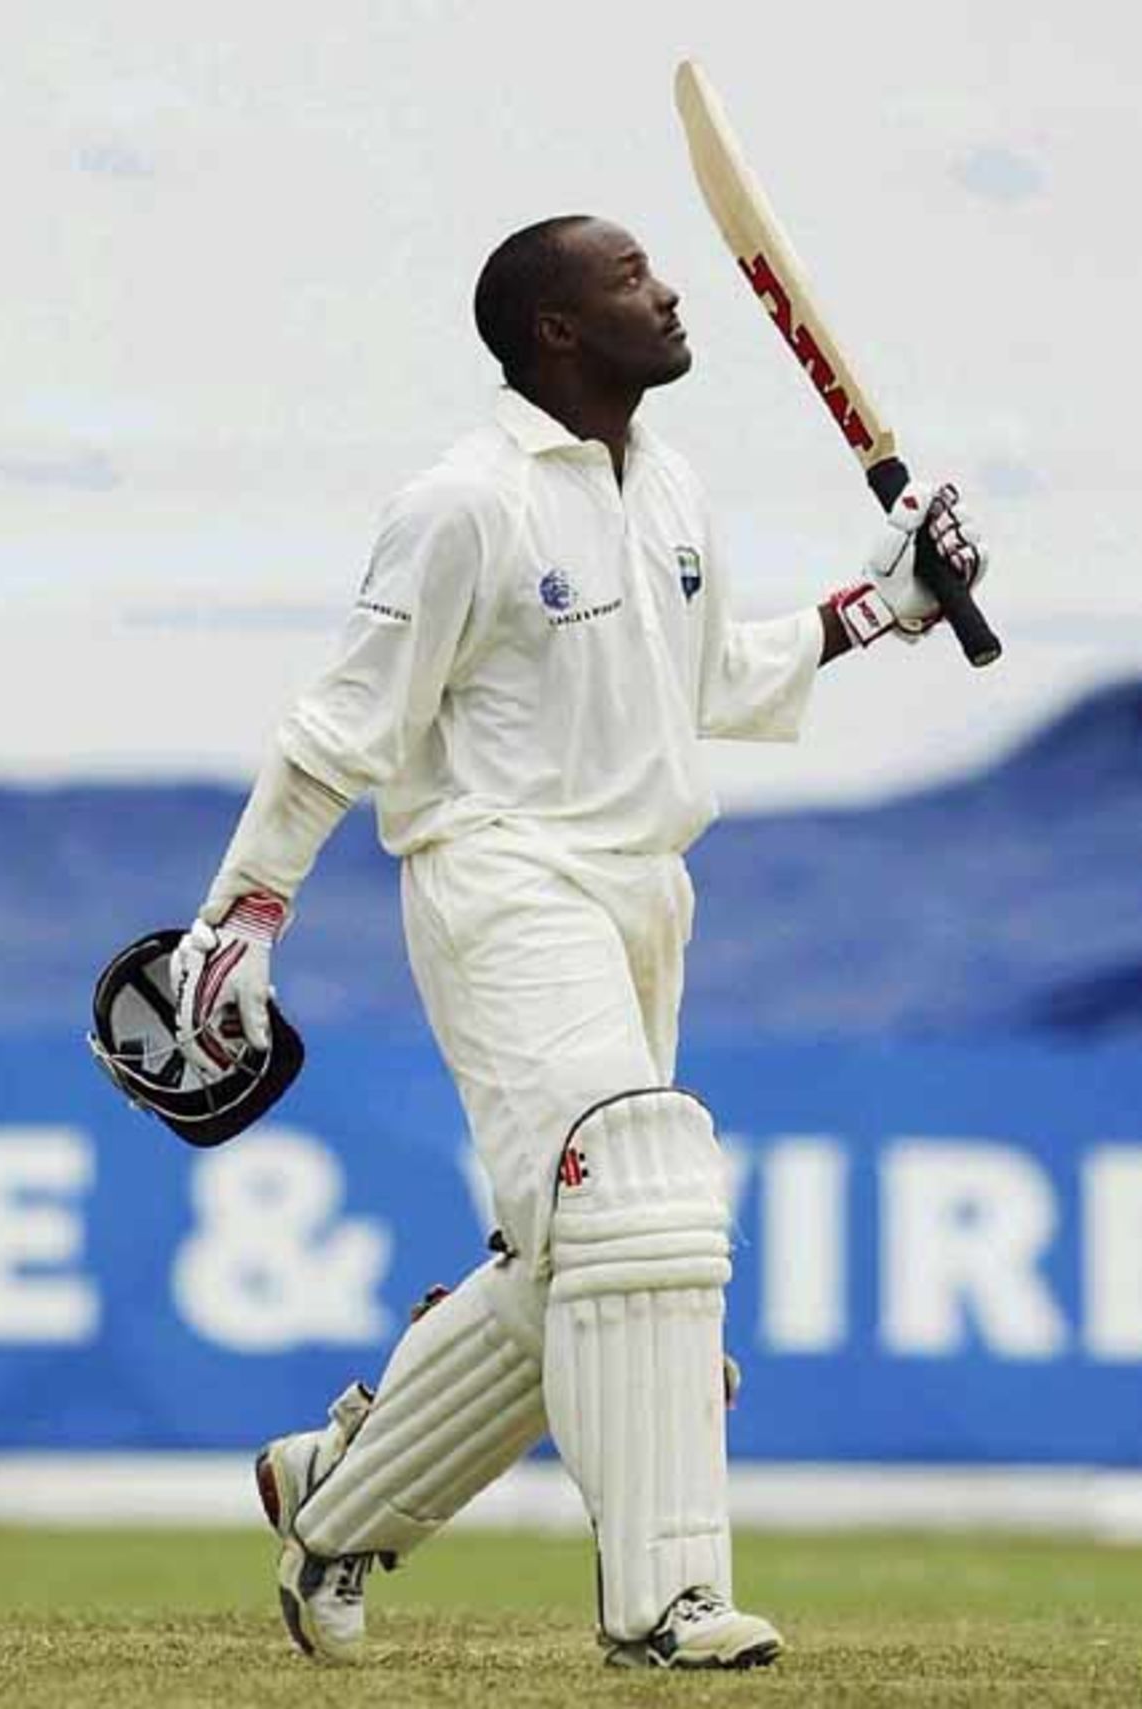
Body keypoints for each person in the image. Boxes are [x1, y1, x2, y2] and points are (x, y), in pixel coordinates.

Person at [170, 214, 987, 1671]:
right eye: (630, 277)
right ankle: (664, 1604)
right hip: (502, 878)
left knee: (579, 1266)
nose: (669, 291)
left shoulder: (664, 484)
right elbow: (341, 720)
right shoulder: (461, 505)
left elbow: (705, 680)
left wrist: (883, 606)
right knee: (638, 1193)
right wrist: (246, 909)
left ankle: (335, 1497)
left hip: (643, 889)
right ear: (553, 329)